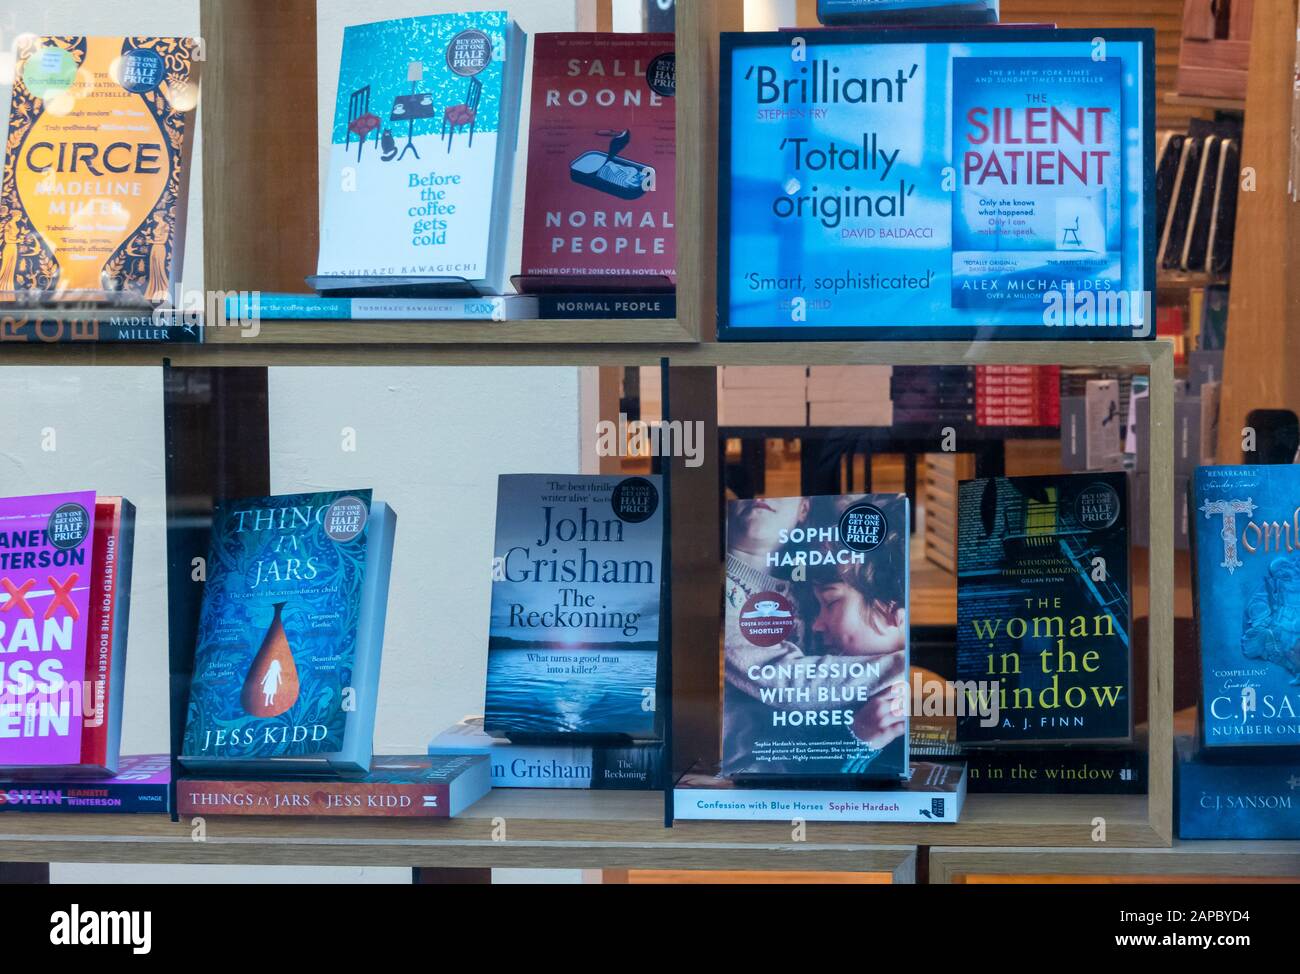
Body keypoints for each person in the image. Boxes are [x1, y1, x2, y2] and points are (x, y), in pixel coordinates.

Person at [722, 495, 907, 776]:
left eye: (782, 494)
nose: (760, 496)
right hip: (753, 767)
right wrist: (901, 666)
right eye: (742, 493)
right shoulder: (719, 596)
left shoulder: (800, 586)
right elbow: (786, 679)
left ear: (804, 509)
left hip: (795, 764)